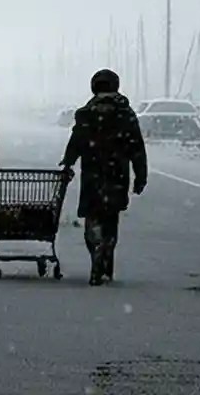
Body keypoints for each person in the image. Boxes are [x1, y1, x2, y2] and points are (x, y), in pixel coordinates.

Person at [60, 69, 147, 286]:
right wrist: (140, 175)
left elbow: (77, 140)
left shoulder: (86, 113)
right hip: (117, 172)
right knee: (111, 217)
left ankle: (95, 246)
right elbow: (136, 146)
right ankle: (106, 251)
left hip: (92, 172)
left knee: (93, 214)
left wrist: (68, 161)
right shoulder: (125, 113)